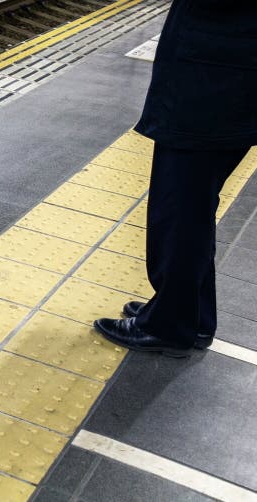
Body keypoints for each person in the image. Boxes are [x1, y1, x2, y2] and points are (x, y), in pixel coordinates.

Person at [93, 0, 257, 357]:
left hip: (214, 81)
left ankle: (169, 325)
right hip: (221, 72)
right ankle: (190, 315)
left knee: (180, 208)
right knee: (193, 205)